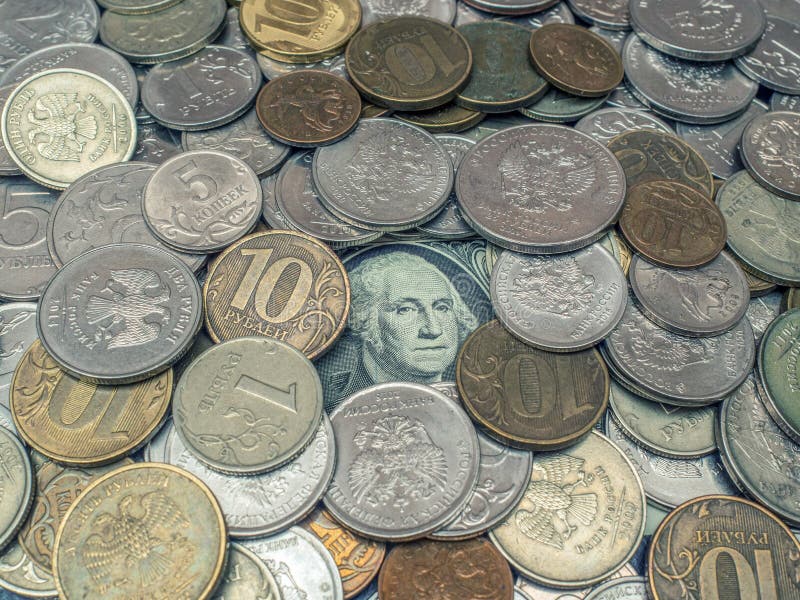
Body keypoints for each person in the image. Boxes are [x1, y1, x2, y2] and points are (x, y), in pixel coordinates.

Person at [324, 252, 478, 400]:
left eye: (442, 307)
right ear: (362, 318)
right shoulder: (335, 410)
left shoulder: (478, 399)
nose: (433, 330)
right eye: (405, 309)